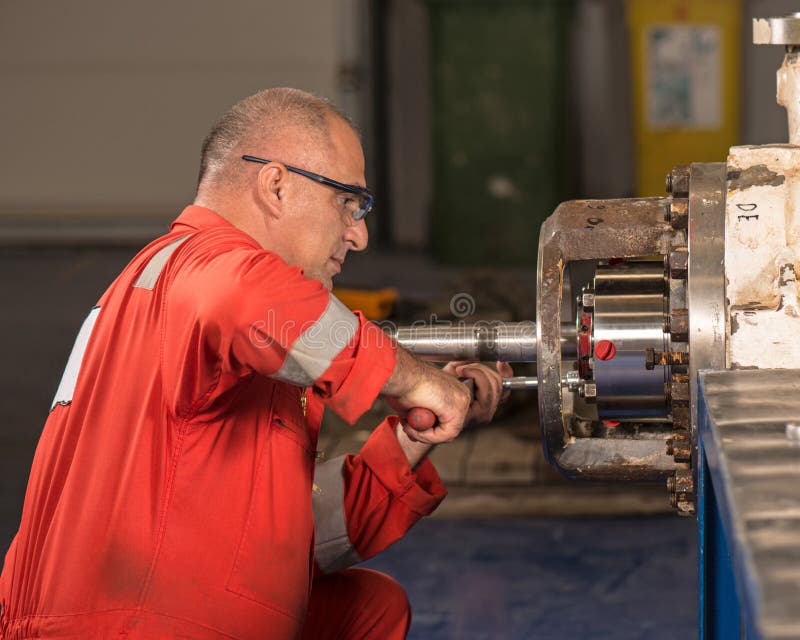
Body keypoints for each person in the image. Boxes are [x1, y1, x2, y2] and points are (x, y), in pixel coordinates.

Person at [0, 88, 511, 640]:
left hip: (154, 606)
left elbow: (295, 538)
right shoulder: (200, 264)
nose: (359, 234)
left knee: (369, 609)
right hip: (121, 623)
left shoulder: (232, 334)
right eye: (348, 202)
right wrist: (415, 380)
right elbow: (253, 299)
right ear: (275, 186)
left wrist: (417, 432)